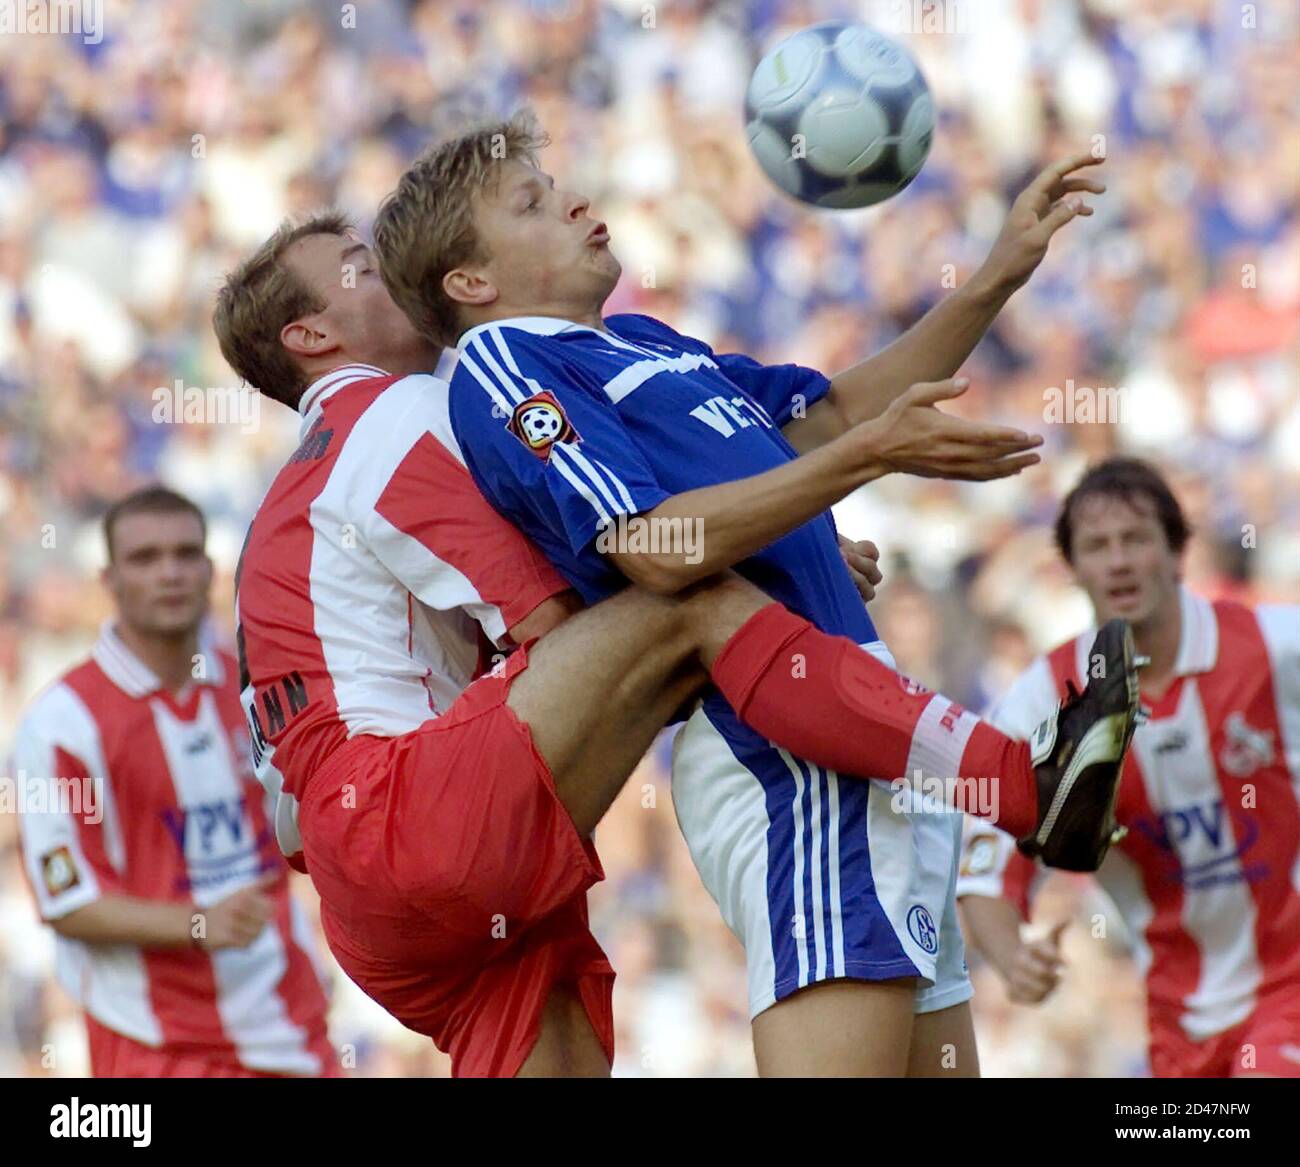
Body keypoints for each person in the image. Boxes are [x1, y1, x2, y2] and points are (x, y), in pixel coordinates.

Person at [369, 113, 1136, 1077]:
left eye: (557, 182)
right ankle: (1026, 784)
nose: (574, 199)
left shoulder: (645, 342)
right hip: (788, 759)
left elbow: (835, 416)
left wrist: (997, 274)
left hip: (879, 744)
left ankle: (1022, 784)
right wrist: (859, 461)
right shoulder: (505, 362)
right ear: (470, 283)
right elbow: (650, 545)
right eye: (530, 201)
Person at [957, 458, 1300, 1078]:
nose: (1118, 560)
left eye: (1137, 538)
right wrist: (1011, 957)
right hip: (1176, 1019)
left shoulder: (1275, 646)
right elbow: (984, 868)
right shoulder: (1042, 701)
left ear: (1177, 553)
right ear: (1072, 569)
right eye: (1096, 545)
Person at [13, 486, 337, 1078]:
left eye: (186, 554)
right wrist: (198, 924)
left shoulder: (253, 683)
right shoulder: (63, 723)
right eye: (146, 558)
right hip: (158, 1047)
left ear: (210, 570)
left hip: (290, 1024)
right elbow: (68, 900)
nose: (170, 573)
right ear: (109, 580)